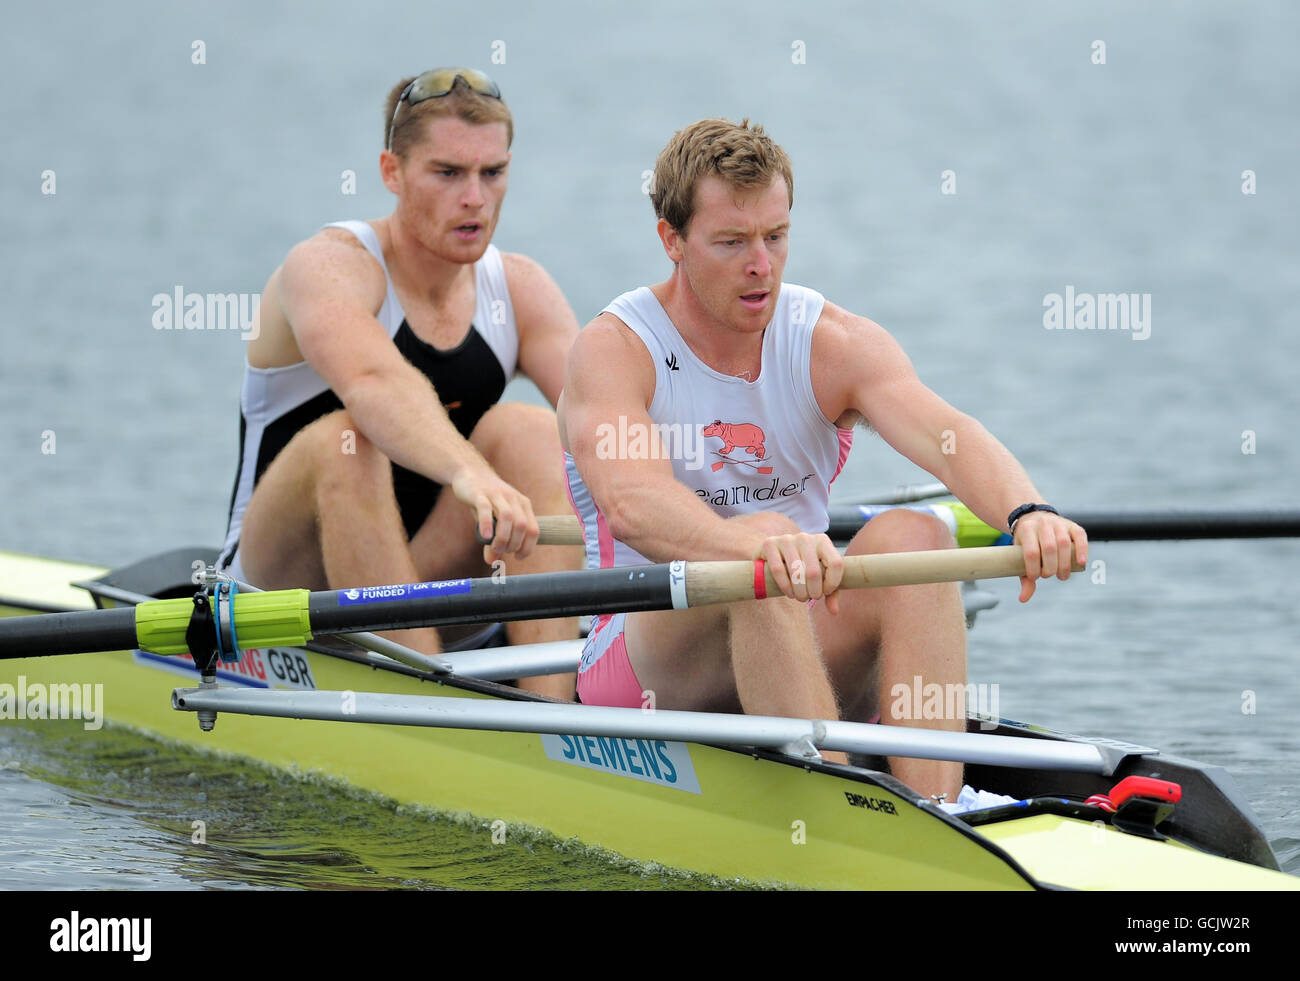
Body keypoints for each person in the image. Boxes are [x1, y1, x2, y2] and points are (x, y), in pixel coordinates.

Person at [558, 118, 1088, 798]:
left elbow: (947, 434)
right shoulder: (615, 349)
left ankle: (935, 810)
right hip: (646, 668)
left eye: (776, 237)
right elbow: (631, 503)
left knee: (918, 536)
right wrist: (750, 542)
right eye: (731, 242)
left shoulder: (830, 342)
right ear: (672, 241)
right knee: (760, 561)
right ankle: (844, 819)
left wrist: (1029, 510)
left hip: (795, 631)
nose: (762, 265)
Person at [217, 68, 580, 698]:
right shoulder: (329, 266)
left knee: (533, 431)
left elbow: (611, 431)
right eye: (447, 173)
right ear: (392, 172)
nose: (475, 198)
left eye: (492, 174)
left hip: (419, 577)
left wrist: (735, 515)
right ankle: (419, 703)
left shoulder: (520, 288)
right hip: (284, 586)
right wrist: (472, 475)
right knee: (346, 442)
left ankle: (559, 727)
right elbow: (376, 380)